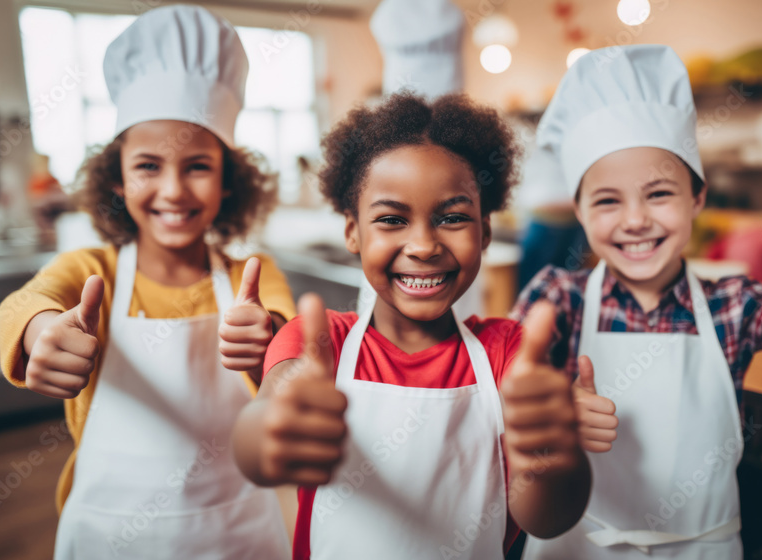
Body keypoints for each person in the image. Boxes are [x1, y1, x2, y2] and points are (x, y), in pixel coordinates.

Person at [514, 44, 762, 559]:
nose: (635, 220)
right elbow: (500, 395)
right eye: (608, 200)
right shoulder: (557, 298)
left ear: (697, 199)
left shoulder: (735, 303)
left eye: (659, 194)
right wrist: (549, 417)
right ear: (579, 209)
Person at [230, 92, 591, 560]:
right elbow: (256, 446)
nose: (423, 245)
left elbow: (550, 518)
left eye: (453, 218)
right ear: (353, 232)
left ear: (484, 230)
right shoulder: (318, 341)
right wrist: (274, 428)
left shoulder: (510, 355)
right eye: (392, 219)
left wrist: (549, 457)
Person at [0, 5, 294, 558]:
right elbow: (23, 304)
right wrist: (41, 332)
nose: (174, 190)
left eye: (198, 166)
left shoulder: (250, 276)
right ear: (117, 178)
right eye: (149, 166)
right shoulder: (93, 271)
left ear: (229, 180)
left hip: (239, 535)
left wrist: (268, 339)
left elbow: (289, 349)